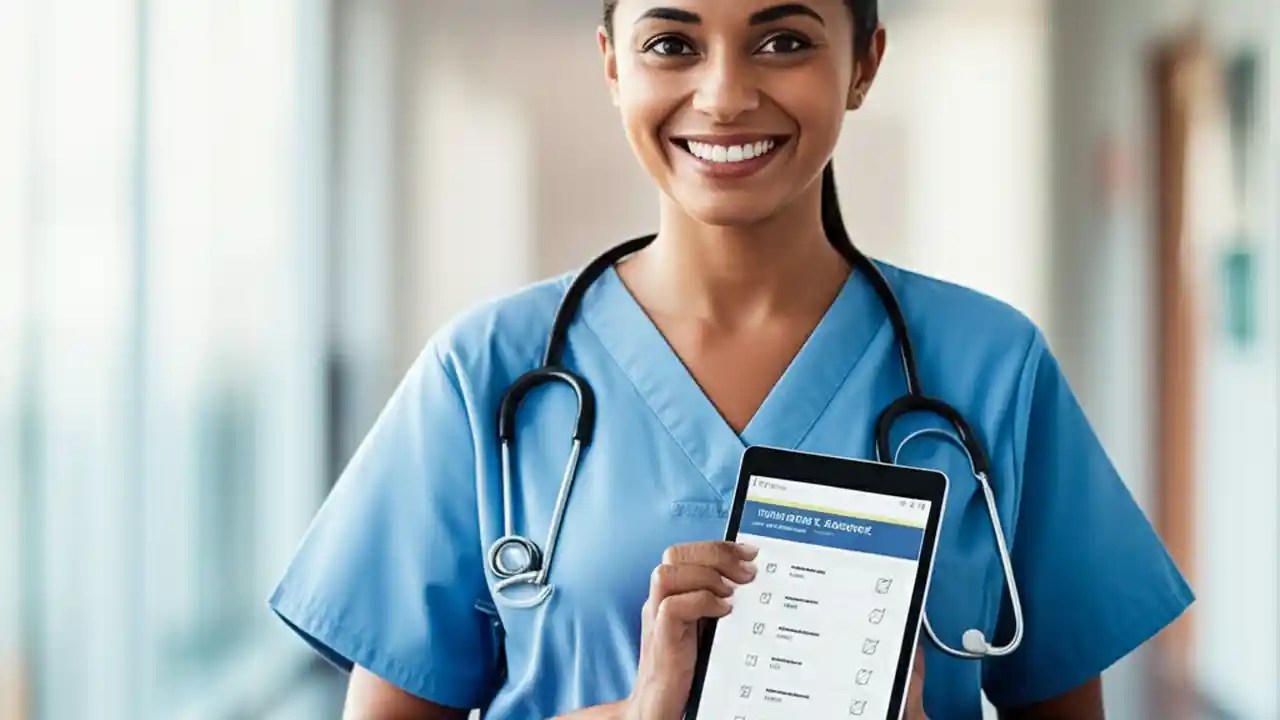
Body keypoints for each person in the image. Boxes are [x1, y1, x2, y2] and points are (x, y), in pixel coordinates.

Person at [267, 1, 1194, 718]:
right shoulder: (487, 375)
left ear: (863, 63)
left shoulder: (991, 370)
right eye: (672, 43)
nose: (724, 95)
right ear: (611, 65)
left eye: (783, 40)